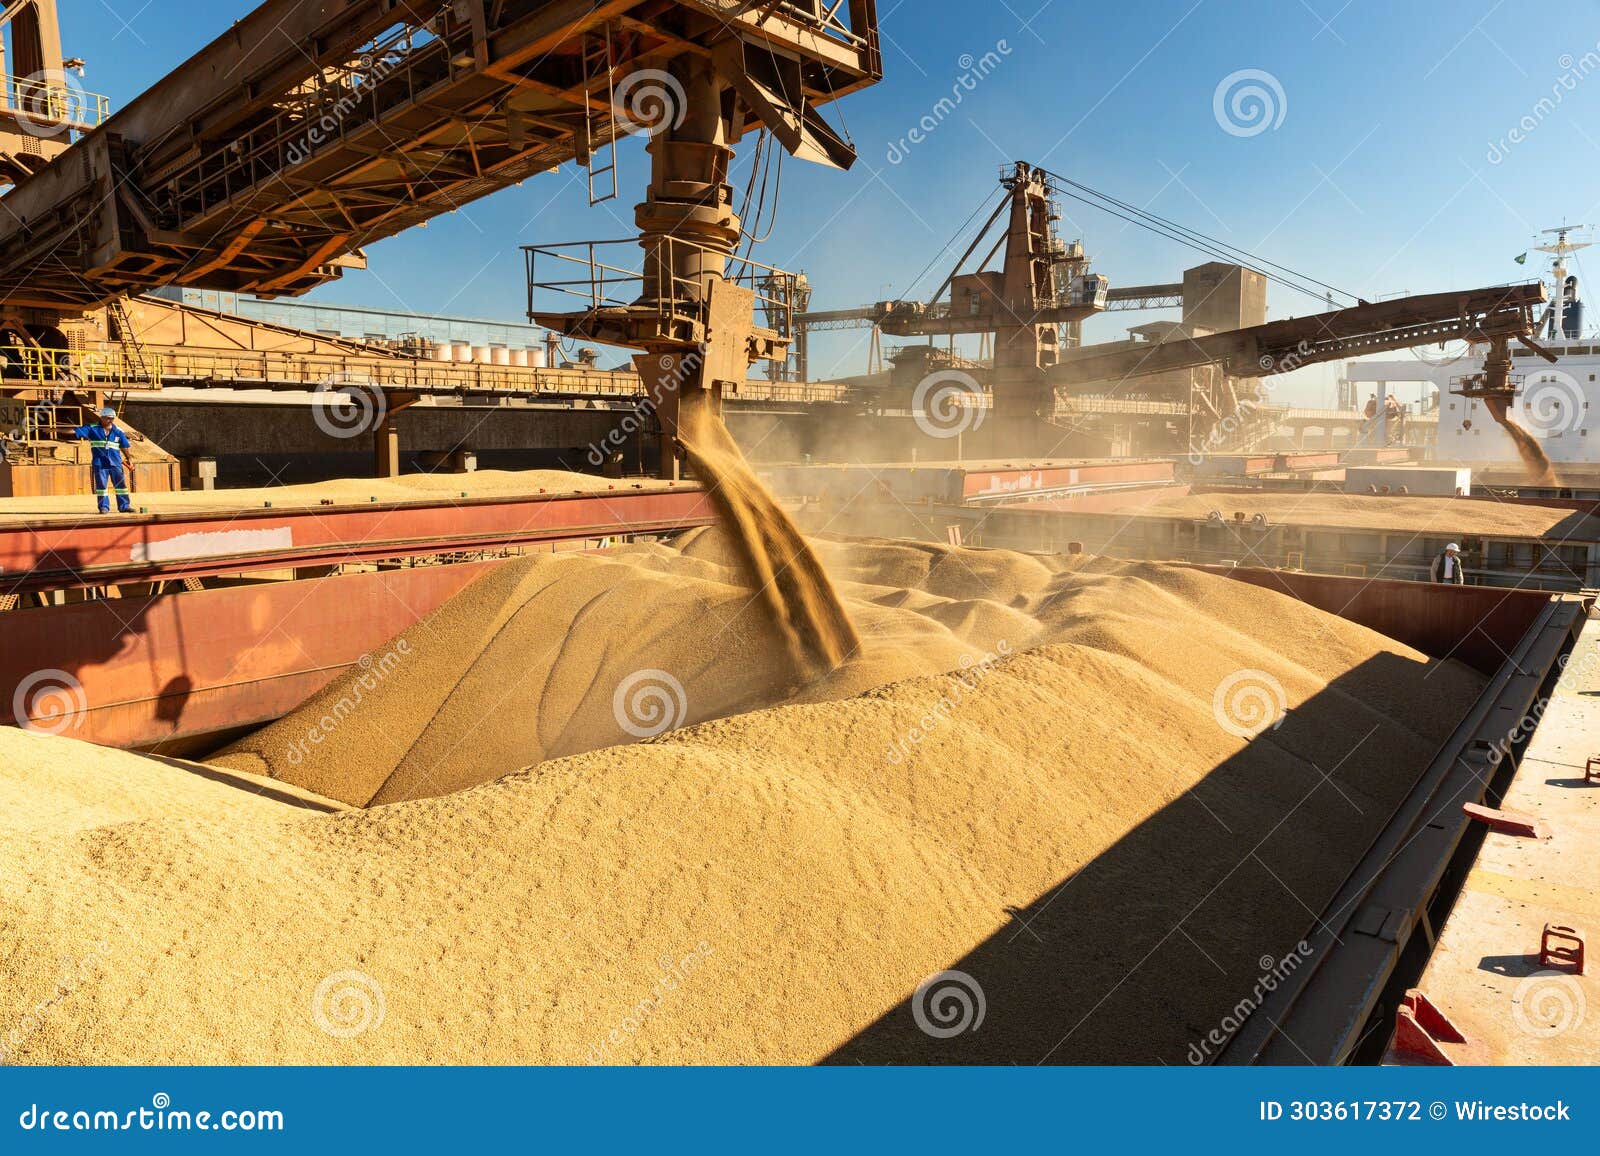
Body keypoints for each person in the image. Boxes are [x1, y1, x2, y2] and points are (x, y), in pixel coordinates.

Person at [68, 406, 143, 514]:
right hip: (100, 463)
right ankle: (104, 507)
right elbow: (75, 431)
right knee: (102, 486)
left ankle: (124, 506)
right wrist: (55, 429)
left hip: (116, 463)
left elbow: (124, 446)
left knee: (121, 486)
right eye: (108, 418)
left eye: (112, 418)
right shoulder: (92, 428)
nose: (110, 420)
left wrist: (129, 458)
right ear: (102, 417)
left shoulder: (118, 431)